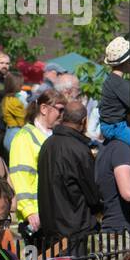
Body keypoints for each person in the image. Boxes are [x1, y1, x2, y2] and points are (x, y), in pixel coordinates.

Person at [36, 101, 103, 248]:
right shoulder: (79, 149)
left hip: (52, 228)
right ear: (84, 121)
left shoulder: (47, 145)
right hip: (75, 230)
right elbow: (93, 194)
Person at [9, 89, 67, 235]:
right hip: (35, 218)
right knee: (34, 257)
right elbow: (20, 177)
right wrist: (29, 211)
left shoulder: (54, 135)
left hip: (54, 215)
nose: (62, 115)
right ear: (43, 109)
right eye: (59, 110)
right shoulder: (24, 137)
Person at [95, 129, 130, 234]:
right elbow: (128, 193)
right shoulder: (120, 148)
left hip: (116, 226)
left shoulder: (110, 147)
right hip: (120, 230)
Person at [99, 36, 130, 145]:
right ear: (126, 61)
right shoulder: (118, 83)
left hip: (110, 125)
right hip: (115, 126)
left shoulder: (112, 80)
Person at [0, 71, 25, 151]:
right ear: (15, 84)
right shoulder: (14, 101)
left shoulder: (6, 98)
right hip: (15, 133)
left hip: (9, 132)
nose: (22, 85)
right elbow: (22, 120)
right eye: (20, 84)